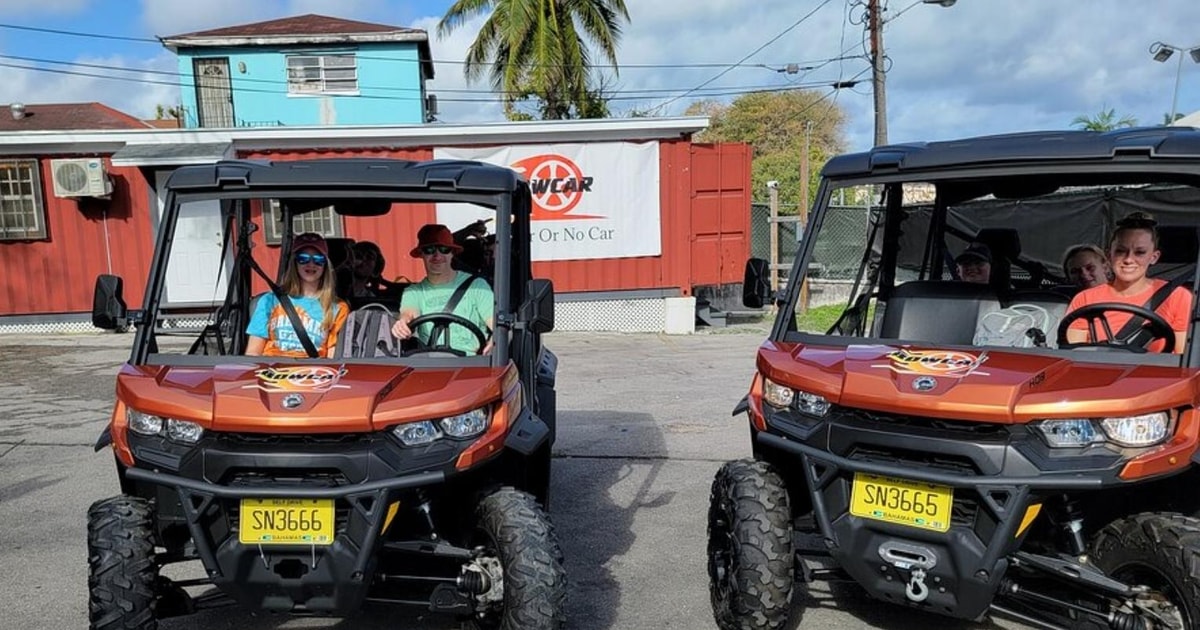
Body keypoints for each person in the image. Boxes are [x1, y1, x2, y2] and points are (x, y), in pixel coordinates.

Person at [1065, 212, 1193, 353]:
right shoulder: (1084, 299)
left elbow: (1183, 358)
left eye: (1139, 252)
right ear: (1109, 255)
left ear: (1154, 257)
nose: (1128, 259)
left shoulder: (1177, 297)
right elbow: (1072, 355)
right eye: (1120, 251)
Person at [391, 224, 494, 354]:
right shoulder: (414, 292)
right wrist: (402, 325)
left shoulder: (477, 286)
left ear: (452, 253)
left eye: (444, 249)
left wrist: (493, 343)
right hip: (431, 366)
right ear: (421, 254)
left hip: (471, 364)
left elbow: (496, 325)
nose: (437, 256)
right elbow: (408, 314)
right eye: (429, 250)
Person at [245, 233, 349, 358]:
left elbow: (333, 360)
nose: (311, 264)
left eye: (318, 259)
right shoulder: (269, 301)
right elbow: (253, 354)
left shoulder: (338, 308)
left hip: (314, 373)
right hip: (272, 372)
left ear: (326, 265)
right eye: (303, 258)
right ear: (294, 263)